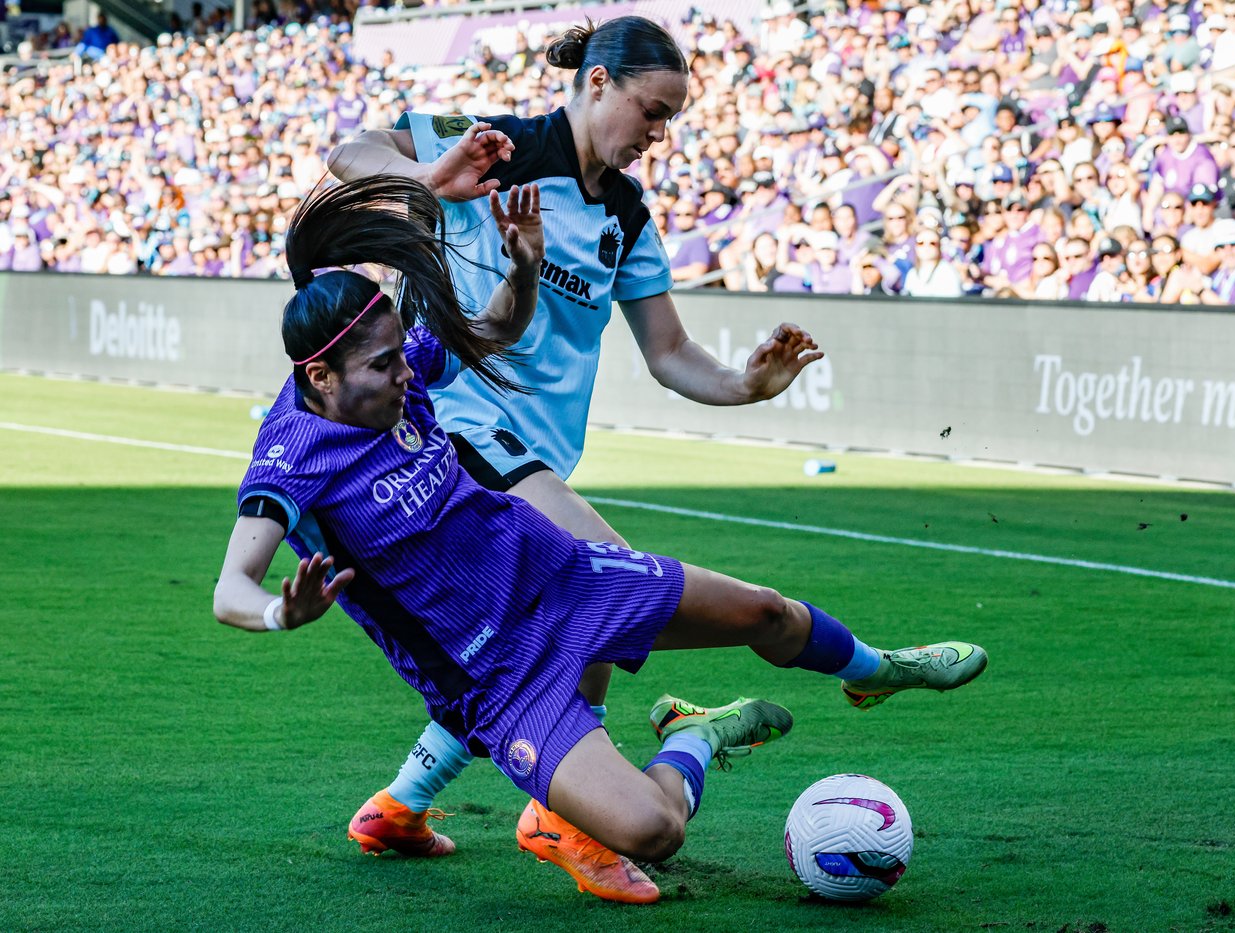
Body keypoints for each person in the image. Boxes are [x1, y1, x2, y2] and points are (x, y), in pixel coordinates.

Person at [213, 174, 989, 903]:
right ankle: (697, 733)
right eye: (382, 367)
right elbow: (230, 590)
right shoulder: (291, 459)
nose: (403, 376)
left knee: (764, 613)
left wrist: (522, 269)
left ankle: (875, 668)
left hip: (565, 574)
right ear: (320, 377)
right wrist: (283, 612)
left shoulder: (400, 360)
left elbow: (493, 330)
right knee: (656, 830)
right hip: (500, 675)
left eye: (397, 357)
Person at [324, 16, 826, 902]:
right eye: (651, 110)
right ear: (597, 84)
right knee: (598, 581)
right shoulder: (500, 144)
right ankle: (560, 814)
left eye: (670, 120)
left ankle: (403, 802)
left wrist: (748, 386)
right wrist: (427, 179)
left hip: (535, 455)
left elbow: (670, 354)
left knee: (514, 642)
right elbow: (351, 150)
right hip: (453, 426)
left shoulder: (626, 216)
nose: (656, 135)